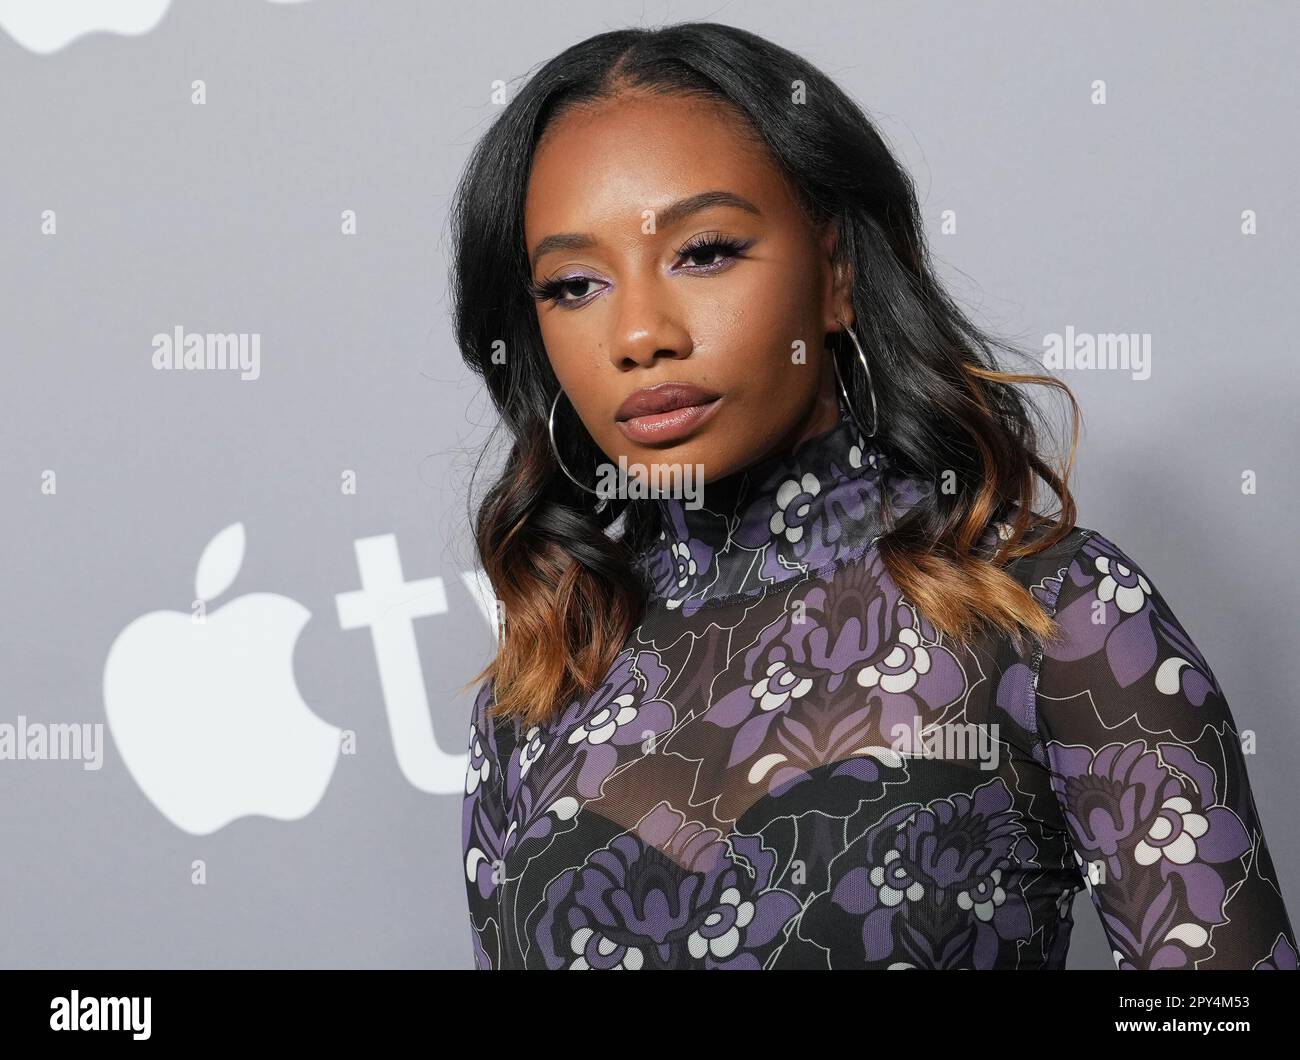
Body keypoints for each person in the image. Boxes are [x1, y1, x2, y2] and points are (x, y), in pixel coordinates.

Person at [450, 22, 1297, 969]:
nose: (639, 334)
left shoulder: (1048, 612)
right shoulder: (543, 685)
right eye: (574, 284)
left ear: (840, 270)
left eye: (706, 251)